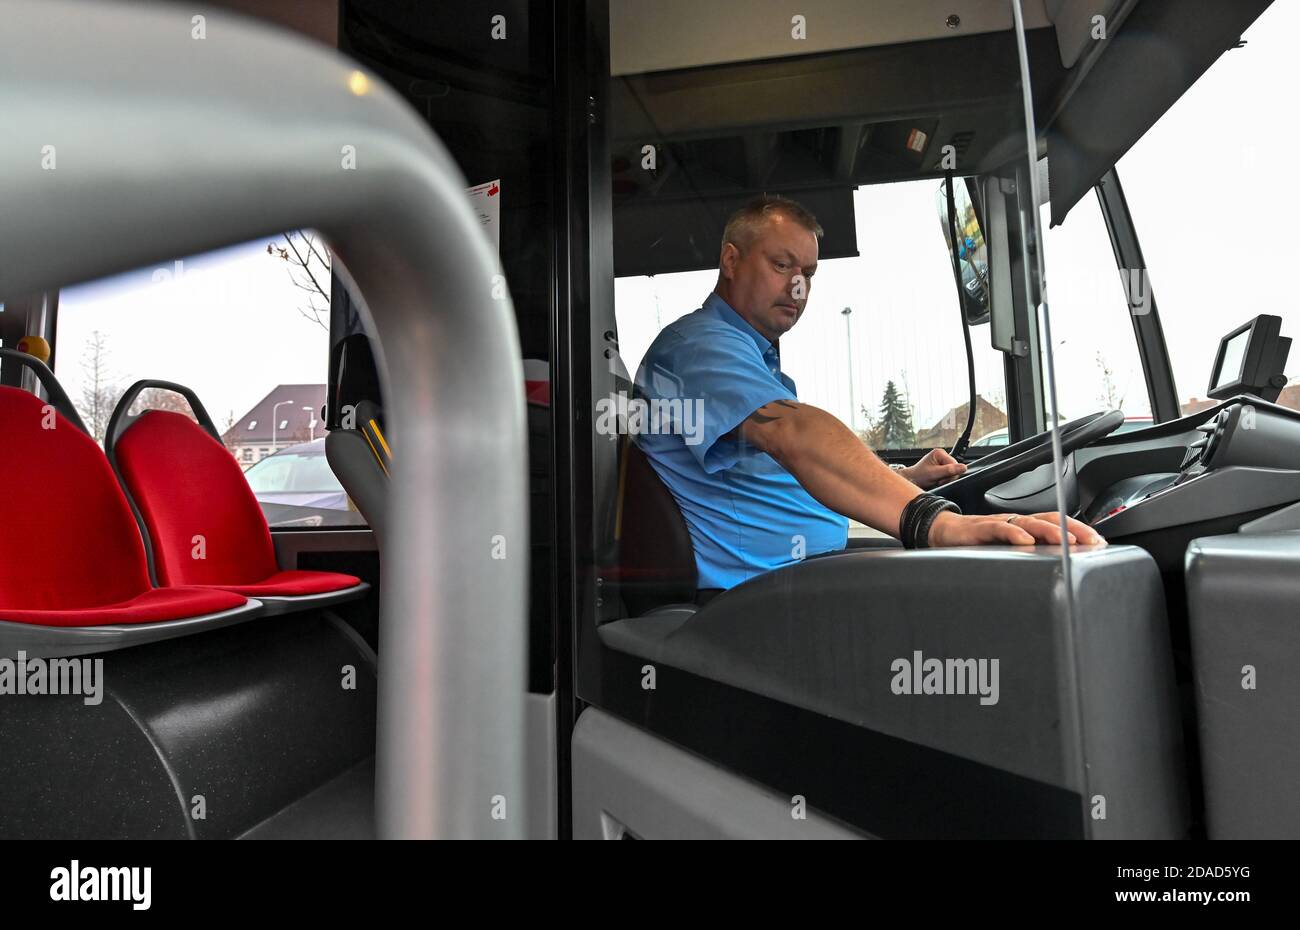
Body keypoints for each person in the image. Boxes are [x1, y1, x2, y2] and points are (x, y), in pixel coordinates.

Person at [633, 195, 1103, 594]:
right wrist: (936, 523)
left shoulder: (747, 356)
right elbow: (794, 432)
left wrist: (904, 477)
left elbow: (782, 473)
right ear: (731, 261)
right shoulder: (696, 349)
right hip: (756, 598)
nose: (798, 286)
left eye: (809, 273)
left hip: (798, 575)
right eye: (781, 265)